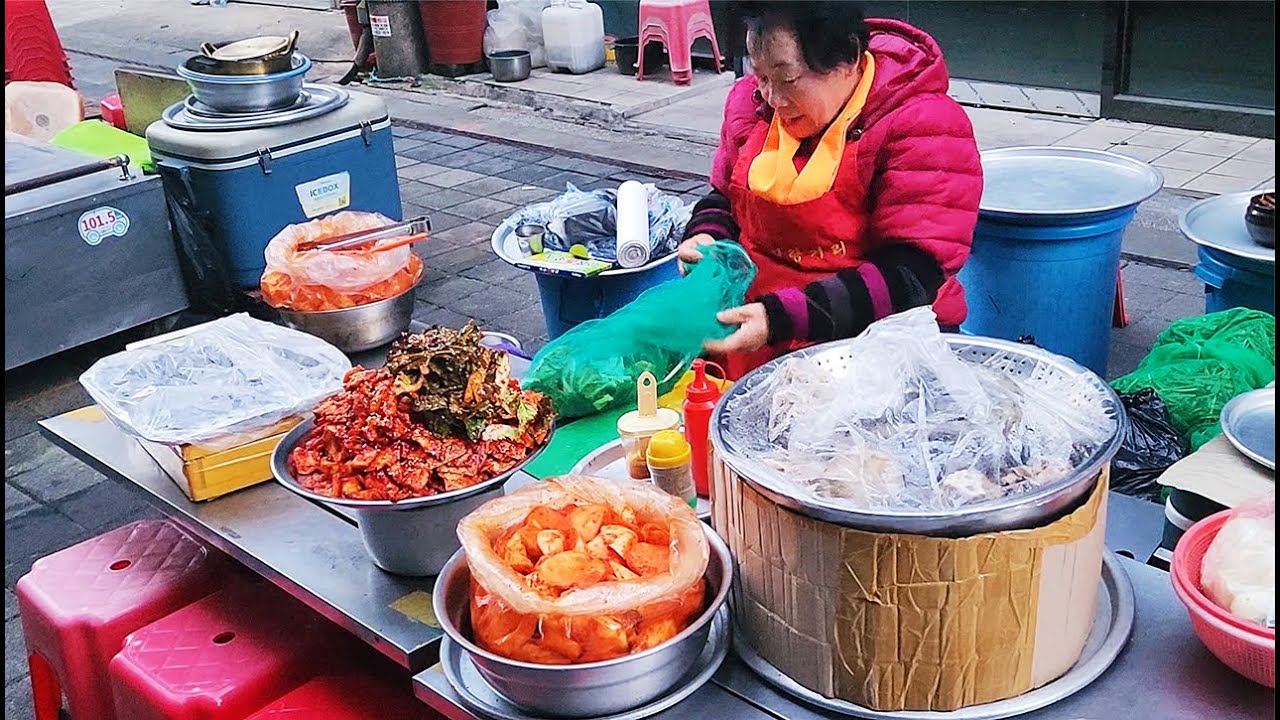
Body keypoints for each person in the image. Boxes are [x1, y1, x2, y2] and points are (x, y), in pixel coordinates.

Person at [679, 1, 983, 378]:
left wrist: (779, 318)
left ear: (849, 60)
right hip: (754, 331)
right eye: (759, 75)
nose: (772, 98)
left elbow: (910, 276)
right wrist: (706, 234)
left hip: (872, 350)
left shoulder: (924, 126)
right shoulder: (751, 105)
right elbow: (725, 197)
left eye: (787, 79)